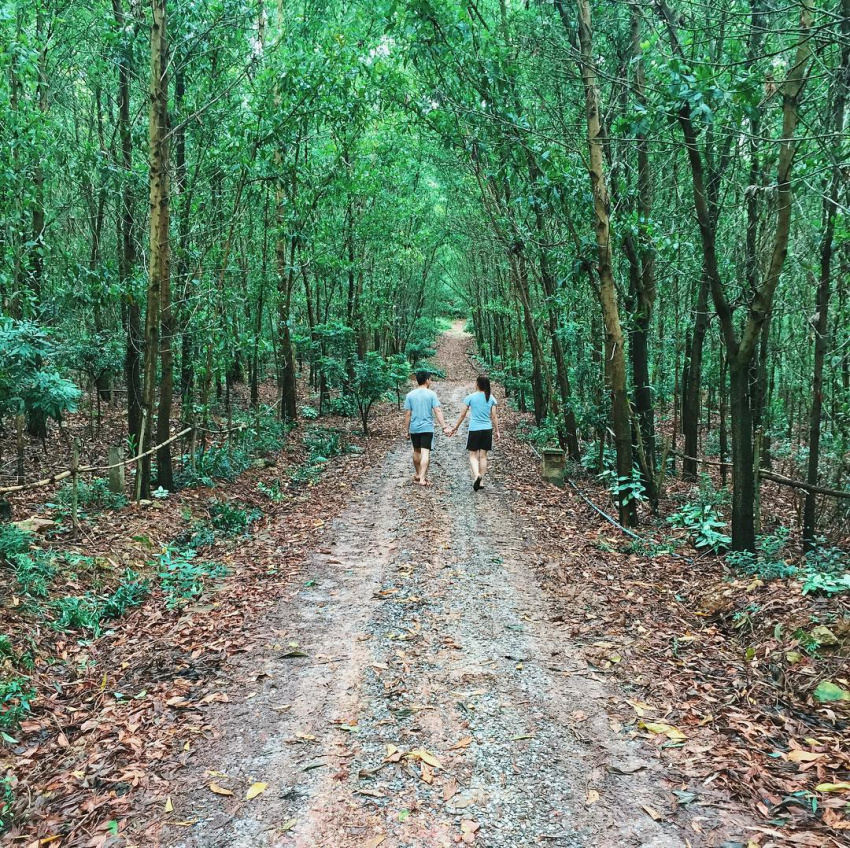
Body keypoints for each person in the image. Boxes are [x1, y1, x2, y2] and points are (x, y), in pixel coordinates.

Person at [450, 375, 499, 491]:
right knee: (483, 456)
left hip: (474, 429)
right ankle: (481, 482)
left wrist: (456, 427)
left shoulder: (470, 397)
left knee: (473, 455)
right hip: (487, 429)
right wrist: (497, 431)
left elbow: (462, 414)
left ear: (477, 384)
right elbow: (494, 416)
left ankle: (477, 475)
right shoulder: (491, 398)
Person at [403, 370, 451, 486]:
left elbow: (408, 414)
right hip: (427, 428)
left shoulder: (410, 395)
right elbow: (437, 410)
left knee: (416, 451)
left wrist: (406, 430)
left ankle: (418, 473)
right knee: (425, 453)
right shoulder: (431, 394)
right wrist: (444, 426)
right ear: (427, 380)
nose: (431, 381)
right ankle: (422, 478)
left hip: (414, 428)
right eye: (430, 379)